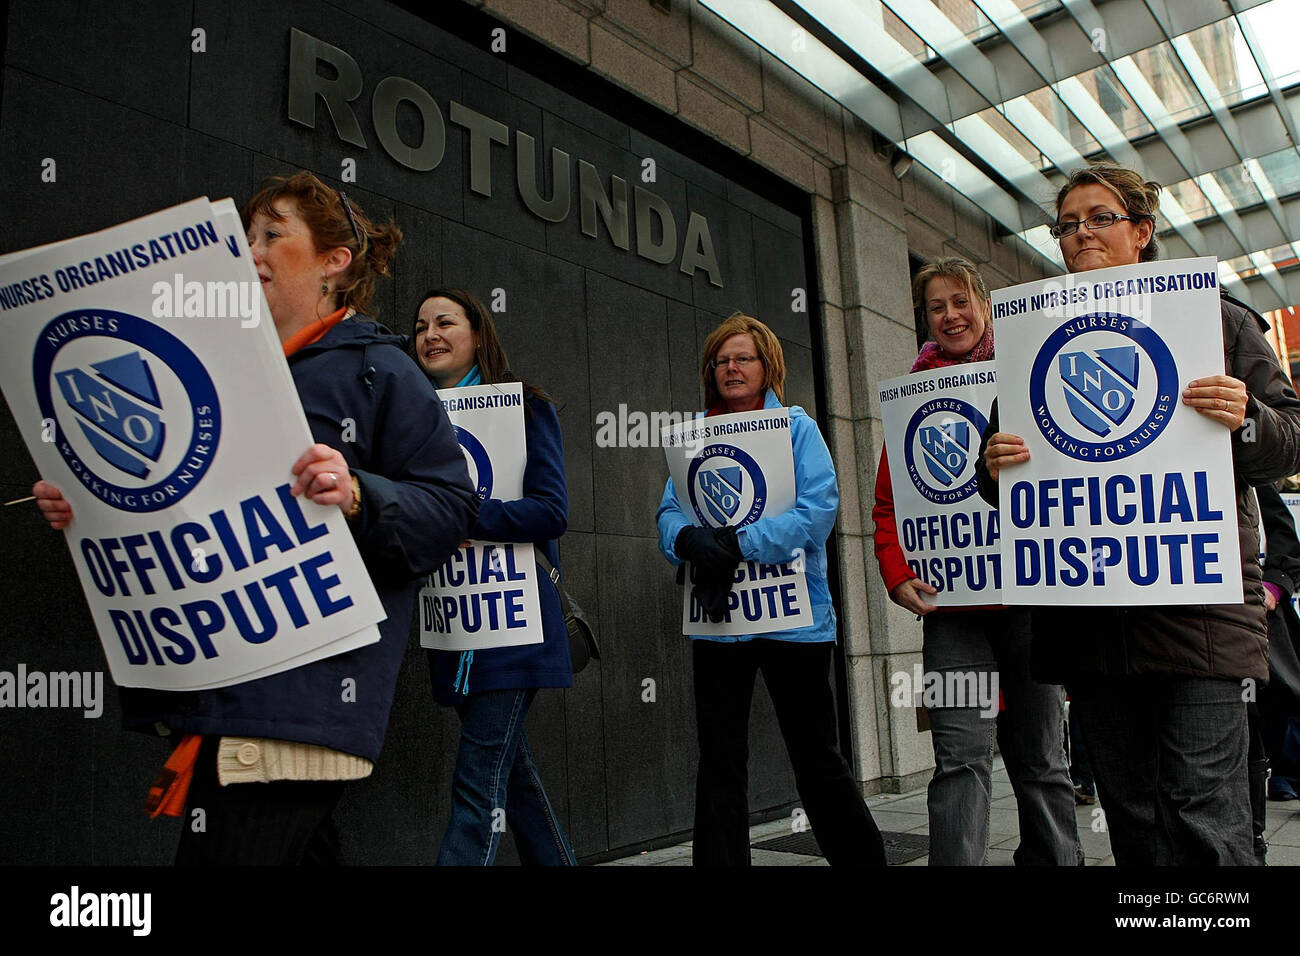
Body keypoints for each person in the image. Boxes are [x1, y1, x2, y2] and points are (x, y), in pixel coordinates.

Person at [33, 171, 478, 865]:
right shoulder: (211, 368)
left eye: (273, 234)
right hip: (219, 687)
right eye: (245, 236)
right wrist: (90, 504)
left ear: (335, 261)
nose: (250, 250)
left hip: (302, 701)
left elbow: (449, 509)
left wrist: (359, 495)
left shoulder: (381, 372)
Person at [977, 162, 1300, 865]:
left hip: (1200, 618)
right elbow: (1005, 474)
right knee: (1132, 821)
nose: (1081, 234)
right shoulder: (1033, 335)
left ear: (1143, 231)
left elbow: (1289, 439)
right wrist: (992, 466)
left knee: (1204, 816)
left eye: (1101, 218)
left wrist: (1247, 416)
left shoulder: (1215, 318)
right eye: (1067, 225)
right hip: (1090, 625)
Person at [655, 312, 885, 866]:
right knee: (719, 761)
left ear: (768, 366)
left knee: (815, 757)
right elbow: (668, 511)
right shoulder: (694, 435)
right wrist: (686, 538)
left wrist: (737, 542)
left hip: (794, 621)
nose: (731, 368)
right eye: (721, 360)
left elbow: (818, 511)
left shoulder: (797, 428)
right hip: (719, 622)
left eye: (743, 358)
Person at [872, 256, 1079, 865]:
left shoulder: (1027, 378)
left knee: (1041, 758)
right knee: (958, 759)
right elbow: (888, 504)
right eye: (936, 307)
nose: (950, 316)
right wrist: (896, 574)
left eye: (960, 301)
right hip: (952, 613)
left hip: (1029, 606)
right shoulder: (912, 398)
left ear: (984, 306)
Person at [411, 287, 576, 866]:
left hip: (514, 623)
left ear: (478, 333)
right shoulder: (412, 418)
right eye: (420, 326)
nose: (430, 335)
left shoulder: (526, 407)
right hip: (453, 624)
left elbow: (551, 511)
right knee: (516, 781)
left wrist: (463, 514)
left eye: (445, 322)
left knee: (477, 784)